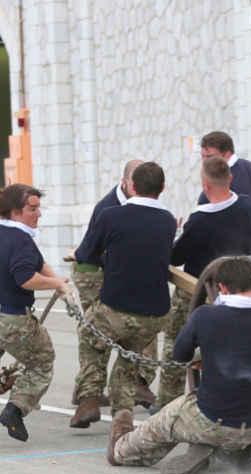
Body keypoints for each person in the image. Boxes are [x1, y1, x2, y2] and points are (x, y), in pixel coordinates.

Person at [107, 257, 251, 474]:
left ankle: (126, 444)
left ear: (221, 288)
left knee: (123, 451)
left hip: (206, 421)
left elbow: (180, 355)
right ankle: (206, 446)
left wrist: (210, 353)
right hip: (249, 432)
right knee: (181, 425)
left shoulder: (205, 316)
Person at [0, 184, 72, 450]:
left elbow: (38, 264)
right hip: (11, 319)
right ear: (16, 212)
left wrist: (57, 282)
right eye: (33, 209)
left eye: (38, 207)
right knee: (42, 363)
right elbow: (26, 278)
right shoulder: (21, 240)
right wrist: (58, 286)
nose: (39, 213)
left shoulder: (1, 231)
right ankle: (15, 409)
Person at [69, 162, 176, 426]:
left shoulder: (111, 216)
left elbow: (86, 253)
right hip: (156, 314)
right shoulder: (168, 221)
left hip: (118, 309)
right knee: (130, 353)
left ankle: (89, 399)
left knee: (90, 335)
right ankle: (123, 413)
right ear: (163, 188)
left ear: (131, 186)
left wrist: (76, 253)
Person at [155, 156, 251, 411]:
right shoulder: (247, 205)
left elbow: (177, 257)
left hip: (198, 290)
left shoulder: (200, 220)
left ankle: (168, 399)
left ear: (205, 185)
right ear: (230, 178)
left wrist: (173, 238)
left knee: (175, 341)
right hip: (238, 286)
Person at [198, 132, 251, 254]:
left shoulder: (221, 183)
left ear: (227, 155)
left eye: (210, 157)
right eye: (203, 156)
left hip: (237, 259)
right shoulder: (250, 167)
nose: (204, 161)